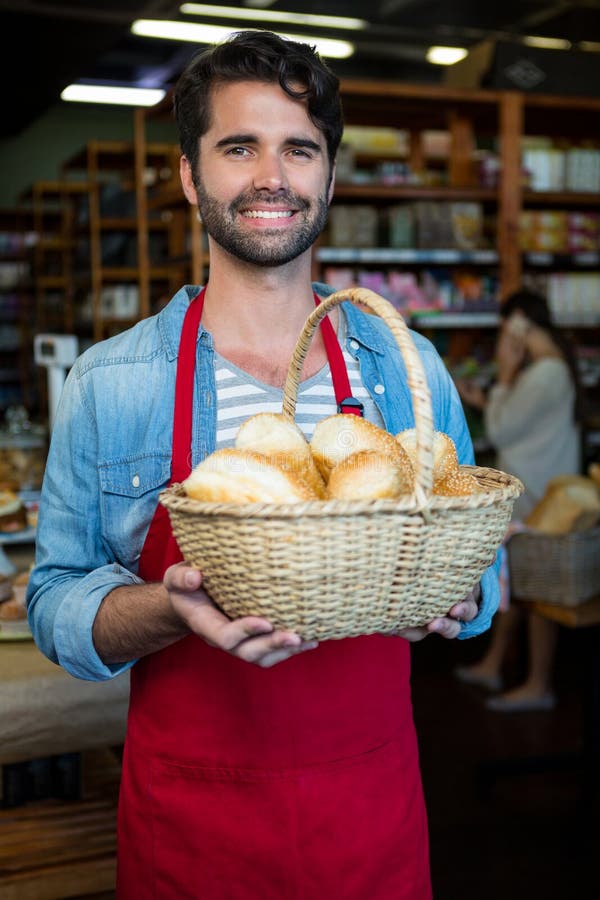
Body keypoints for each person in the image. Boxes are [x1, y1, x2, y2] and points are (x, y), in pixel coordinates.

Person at [27, 31, 501, 900]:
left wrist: (462, 594)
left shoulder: (407, 370)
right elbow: (54, 601)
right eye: (238, 146)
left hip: (369, 815)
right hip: (192, 830)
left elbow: (484, 574)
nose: (271, 176)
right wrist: (168, 608)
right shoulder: (111, 385)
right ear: (189, 175)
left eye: (299, 148)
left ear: (328, 175)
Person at [455, 289, 582, 712]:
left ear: (521, 322)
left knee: (534, 590)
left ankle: (536, 684)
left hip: (537, 499)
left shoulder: (544, 373)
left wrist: (505, 374)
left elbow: (502, 429)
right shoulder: (548, 370)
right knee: (518, 582)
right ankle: (495, 665)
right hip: (536, 493)